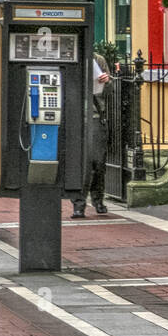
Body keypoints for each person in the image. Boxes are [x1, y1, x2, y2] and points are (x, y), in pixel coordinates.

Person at [72, 54, 112, 219]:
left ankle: (97, 199)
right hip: (76, 116)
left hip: (95, 116)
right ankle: (79, 204)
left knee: (98, 162)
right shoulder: (72, 56)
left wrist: (107, 81)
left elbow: (110, 90)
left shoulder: (98, 60)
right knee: (82, 164)